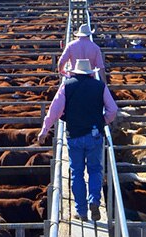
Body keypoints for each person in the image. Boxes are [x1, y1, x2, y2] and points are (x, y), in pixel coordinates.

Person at [37, 58, 119, 222]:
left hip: (74, 135)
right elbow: (113, 110)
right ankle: (94, 201)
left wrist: (45, 130)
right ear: (90, 73)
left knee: (77, 173)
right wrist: (103, 120)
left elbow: (55, 110)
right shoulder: (99, 86)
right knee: (95, 170)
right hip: (95, 135)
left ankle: (81, 211)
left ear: (74, 71)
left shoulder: (66, 86)